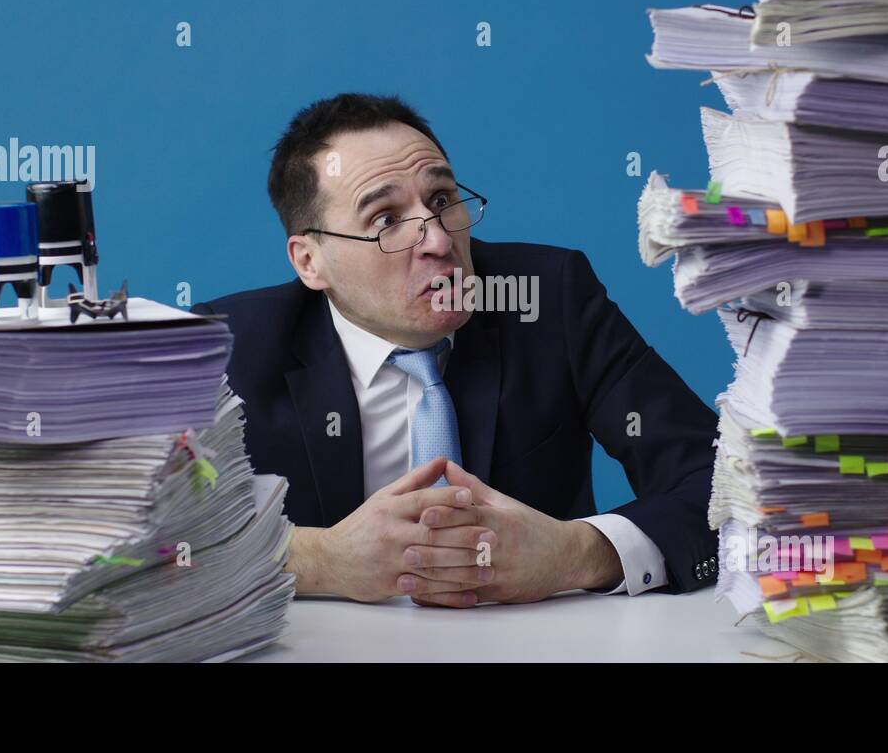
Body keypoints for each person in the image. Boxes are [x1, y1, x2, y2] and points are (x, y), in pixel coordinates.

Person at [193, 93, 720, 608]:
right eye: (386, 220)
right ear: (311, 261)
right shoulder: (224, 350)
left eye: (442, 200)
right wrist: (323, 560)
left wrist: (576, 552)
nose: (440, 241)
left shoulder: (548, 299)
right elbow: (157, 546)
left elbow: (728, 483)